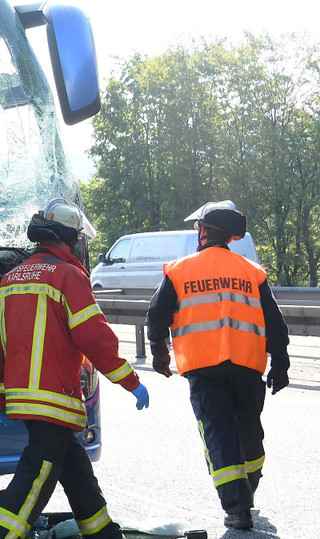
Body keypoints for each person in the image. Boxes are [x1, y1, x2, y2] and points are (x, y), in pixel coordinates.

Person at [0, 199, 148, 539]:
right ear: (70, 239)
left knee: (74, 469)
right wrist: (130, 381)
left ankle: (103, 533)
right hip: (53, 397)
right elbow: (94, 337)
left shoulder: (11, 279)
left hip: (22, 399)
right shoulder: (69, 276)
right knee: (39, 473)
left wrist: (0, 399)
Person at [145, 201, 290, 531]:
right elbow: (275, 323)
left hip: (203, 368)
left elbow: (156, 315)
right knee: (250, 433)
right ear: (231, 237)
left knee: (218, 435)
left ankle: (237, 507)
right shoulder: (252, 272)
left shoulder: (180, 270)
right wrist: (280, 364)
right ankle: (247, 487)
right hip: (248, 367)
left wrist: (159, 353)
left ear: (205, 231)